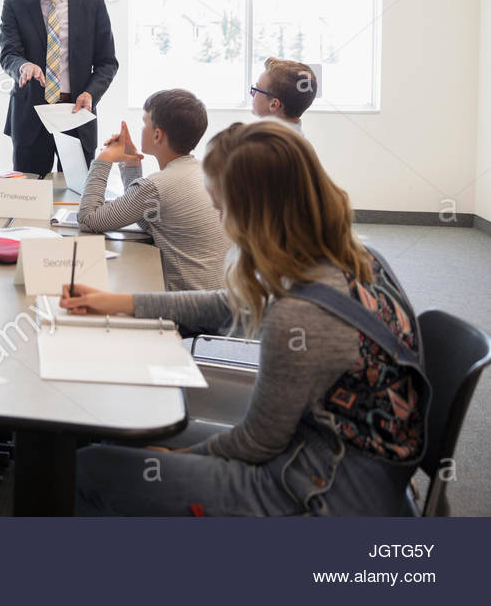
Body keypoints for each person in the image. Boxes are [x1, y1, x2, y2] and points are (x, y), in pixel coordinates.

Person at [64, 121, 426, 516]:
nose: (220, 220)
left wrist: (180, 455)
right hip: (354, 463)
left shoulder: (300, 318)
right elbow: (230, 303)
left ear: (253, 213)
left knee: (91, 470)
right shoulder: (356, 257)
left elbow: (257, 444)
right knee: (126, 433)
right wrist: (119, 302)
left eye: (221, 207)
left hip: (317, 490)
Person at [77, 89, 228, 292]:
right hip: (221, 305)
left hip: (191, 313)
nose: (141, 128)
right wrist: (131, 162)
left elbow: (88, 219)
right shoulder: (206, 172)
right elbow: (149, 216)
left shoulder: (157, 186)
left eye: (144, 123)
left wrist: (104, 159)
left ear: (157, 135)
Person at [0, 0, 118, 172]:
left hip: (76, 113)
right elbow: (8, 53)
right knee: (29, 201)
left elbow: (107, 62)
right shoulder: (14, 4)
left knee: (77, 198)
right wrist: (23, 65)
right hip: (31, 117)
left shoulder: (92, 4)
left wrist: (90, 93)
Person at [251, 56, 318, 135]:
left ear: (274, 104)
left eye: (256, 89)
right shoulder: (297, 137)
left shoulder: (263, 143)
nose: (252, 93)